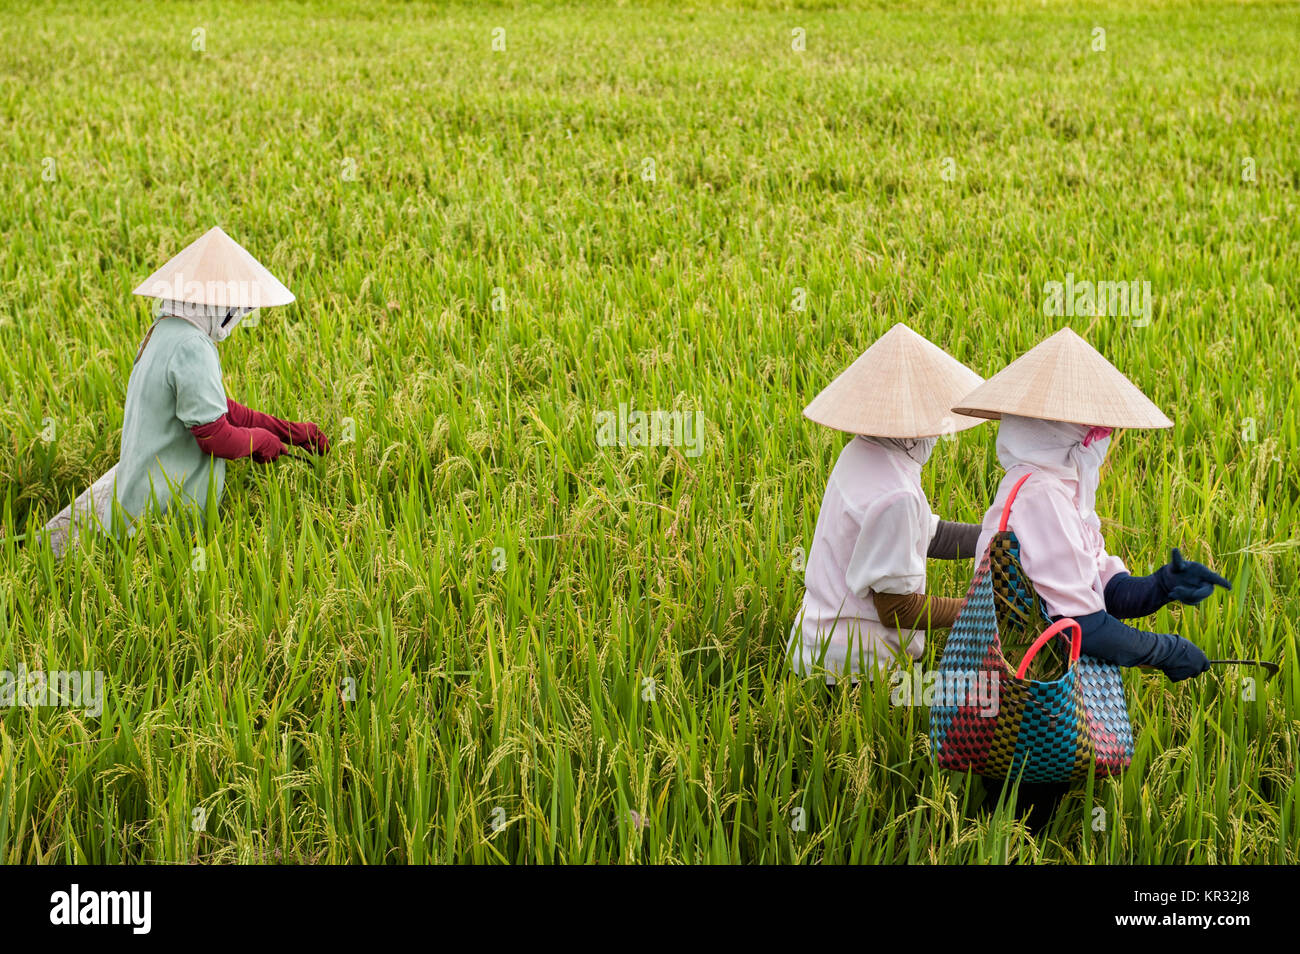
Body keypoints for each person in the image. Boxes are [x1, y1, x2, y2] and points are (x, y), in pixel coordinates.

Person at [951, 327, 1231, 828]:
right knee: (1021, 814)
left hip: (1027, 681)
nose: (1100, 443)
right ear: (1064, 434)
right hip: (1030, 689)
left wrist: (1162, 585)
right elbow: (1086, 625)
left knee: (1018, 801)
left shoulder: (1060, 492)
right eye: (1094, 433)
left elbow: (1106, 592)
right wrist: (1164, 652)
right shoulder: (1041, 497)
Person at [44, 226, 329, 554]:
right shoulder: (192, 344)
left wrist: (291, 432)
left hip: (140, 486)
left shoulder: (165, 330)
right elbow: (214, 436)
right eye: (237, 307)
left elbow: (221, 408)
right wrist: (260, 442)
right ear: (216, 302)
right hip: (164, 512)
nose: (237, 318)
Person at [788, 323, 988, 685]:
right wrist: (981, 612)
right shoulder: (897, 495)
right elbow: (897, 608)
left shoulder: (862, 452)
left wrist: (995, 536)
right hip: (855, 673)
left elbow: (928, 535)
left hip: (814, 646)